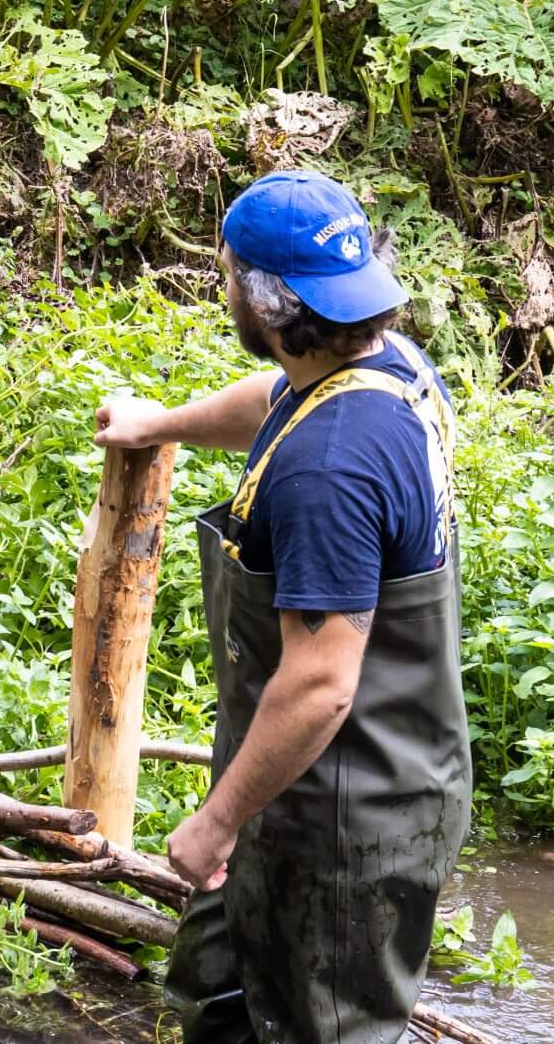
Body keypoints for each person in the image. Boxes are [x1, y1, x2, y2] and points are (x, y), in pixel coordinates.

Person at [94, 170, 468, 1044]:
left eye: (227, 272)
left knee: (320, 1028)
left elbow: (320, 685)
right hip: (299, 786)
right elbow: (271, 401)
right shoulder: (384, 366)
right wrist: (161, 423)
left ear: (264, 302)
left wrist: (216, 820)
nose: (223, 286)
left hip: (347, 819)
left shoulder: (330, 469)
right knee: (219, 995)